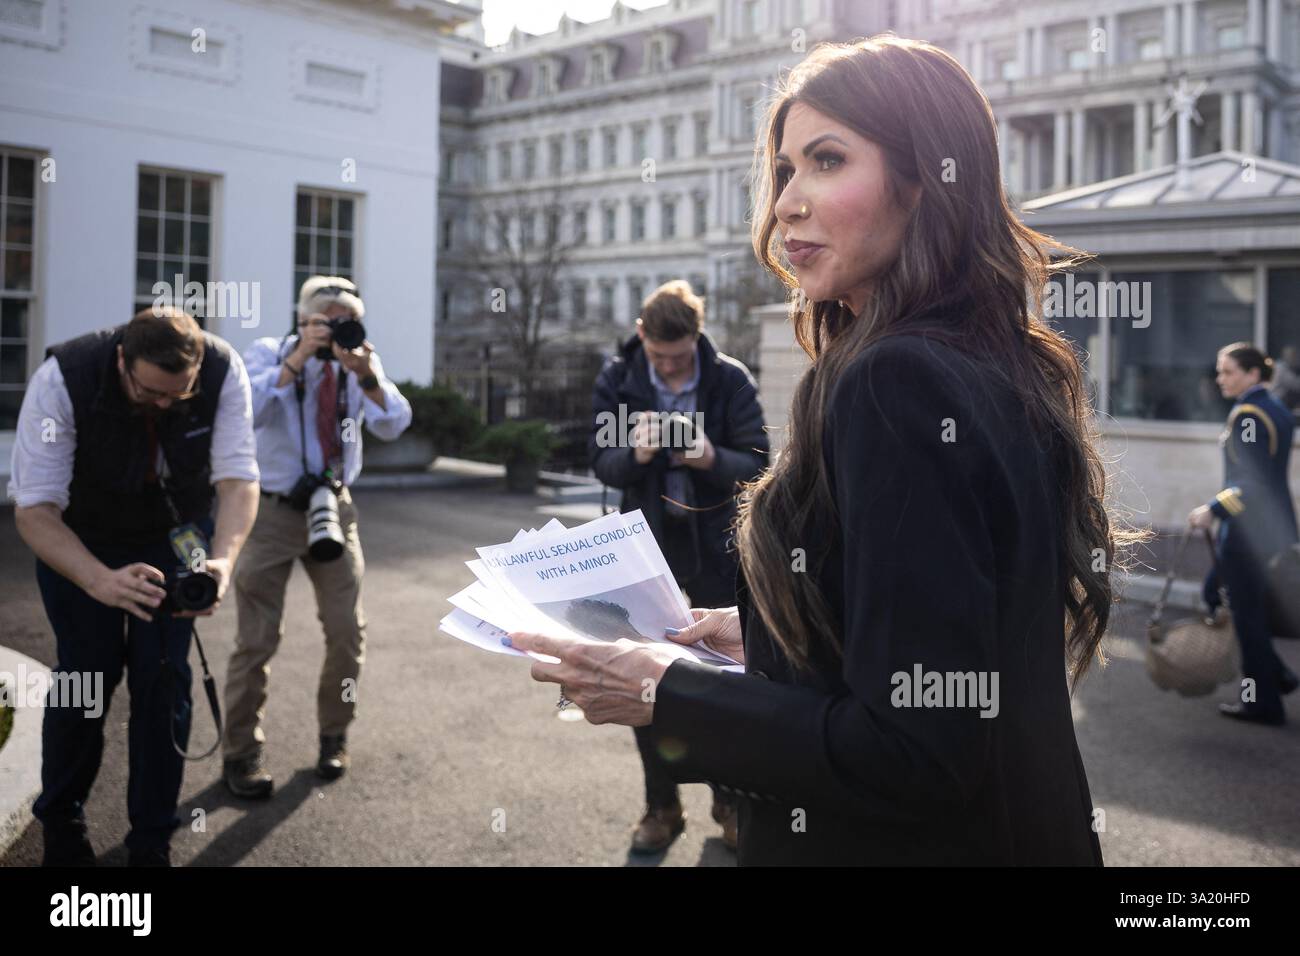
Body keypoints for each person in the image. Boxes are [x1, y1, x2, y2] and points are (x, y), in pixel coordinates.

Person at [507, 36, 1132, 865]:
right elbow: (926, 644)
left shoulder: (896, 380)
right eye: (783, 171)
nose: (785, 205)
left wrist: (663, 690)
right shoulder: (993, 356)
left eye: (826, 160)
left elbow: (917, 752)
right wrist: (762, 637)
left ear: (925, 181)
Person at [9, 307, 260, 866]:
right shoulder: (63, 378)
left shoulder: (224, 369)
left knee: (164, 684)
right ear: (123, 360)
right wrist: (99, 580)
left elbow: (239, 479)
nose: (165, 405)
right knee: (86, 678)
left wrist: (221, 561)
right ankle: (63, 828)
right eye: (151, 392)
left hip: (176, 536)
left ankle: (152, 839)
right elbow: (34, 510)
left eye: (180, 394)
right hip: (81, 537)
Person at [588, 279, 768, 853]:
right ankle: (661, 806)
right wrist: (635, 452)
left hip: (716, 548)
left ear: (698, 337)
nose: (667, 368)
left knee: (722, 678)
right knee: (645, 681)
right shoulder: (619, 376)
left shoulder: (729, 378)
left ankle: (729, 800)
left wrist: (709, 456)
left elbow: (758, 464)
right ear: (642, 335)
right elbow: (602, 463)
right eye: (659, 357)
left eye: (680, 356)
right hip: (646, 549)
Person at [221, 276, 411, 797]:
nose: (333, 333)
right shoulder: (267, 353)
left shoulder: (357, 362)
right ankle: (240, 753)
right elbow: (246, 413)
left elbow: (395, 423)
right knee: (256, 639)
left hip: (336, 507)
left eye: (342, 322)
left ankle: (333, 735)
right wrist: (298, 359)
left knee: (347, 630)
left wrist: (367, 376)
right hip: (274, 511)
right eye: (322, 322)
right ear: (302, 319)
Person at [1189, 343, 1300, 725]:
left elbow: (1249, 486)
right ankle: (1276, 678)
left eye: (1229, 371)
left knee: (1245, 617)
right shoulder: (1277, 408)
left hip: (1248, 535)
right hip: (1271, 530)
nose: (1221, 379)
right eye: (1220, 372)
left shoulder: (1248, 415)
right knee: (1220, 598)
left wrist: (1213, 510)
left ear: (1253, 374)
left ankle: (1262, 702)